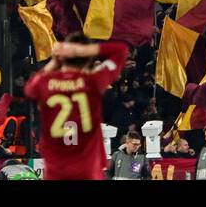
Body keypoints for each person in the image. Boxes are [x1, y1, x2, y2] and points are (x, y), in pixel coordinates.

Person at [23, 33, 130, 180]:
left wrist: (54, 61)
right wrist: (83, 50)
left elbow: (29, 89)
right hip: (88, 170)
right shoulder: (92, 81)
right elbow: (121, 50)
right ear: (87, 60)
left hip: (56, 171)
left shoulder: (46, 83)